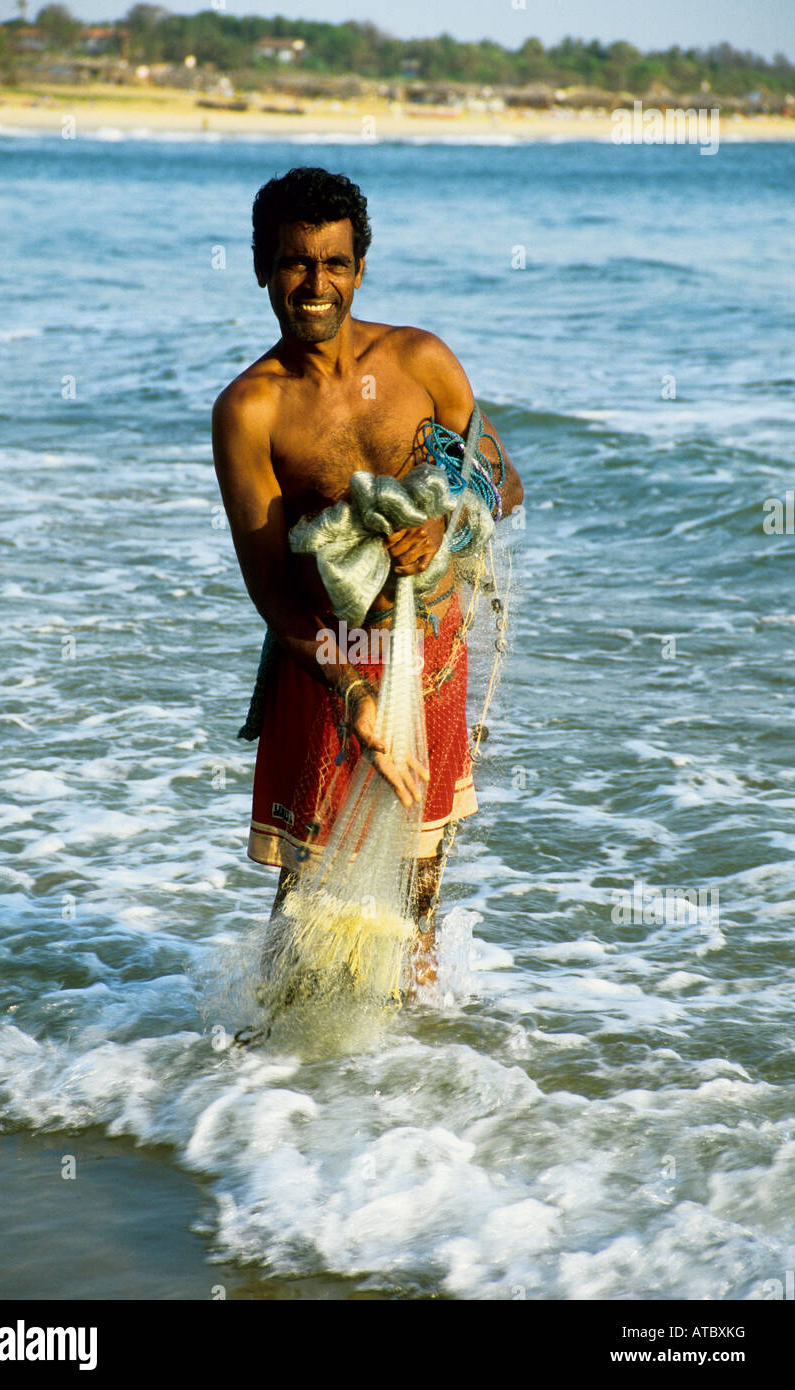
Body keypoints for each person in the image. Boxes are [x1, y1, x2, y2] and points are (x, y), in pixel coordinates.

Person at [212, 166, 523, 990]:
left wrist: (446, 527)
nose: (315, 285)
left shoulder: (421, 360)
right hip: (326, 665)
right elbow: (273, 589)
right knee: (306, 912)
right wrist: (351, 696)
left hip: (431, 659)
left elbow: (503, 482)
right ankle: (262, 1093)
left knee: (418, 895)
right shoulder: (250, 409)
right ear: (260, 266)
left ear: (360, 267)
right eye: (294, 263)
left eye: (334, 263)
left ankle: (409, 1087)